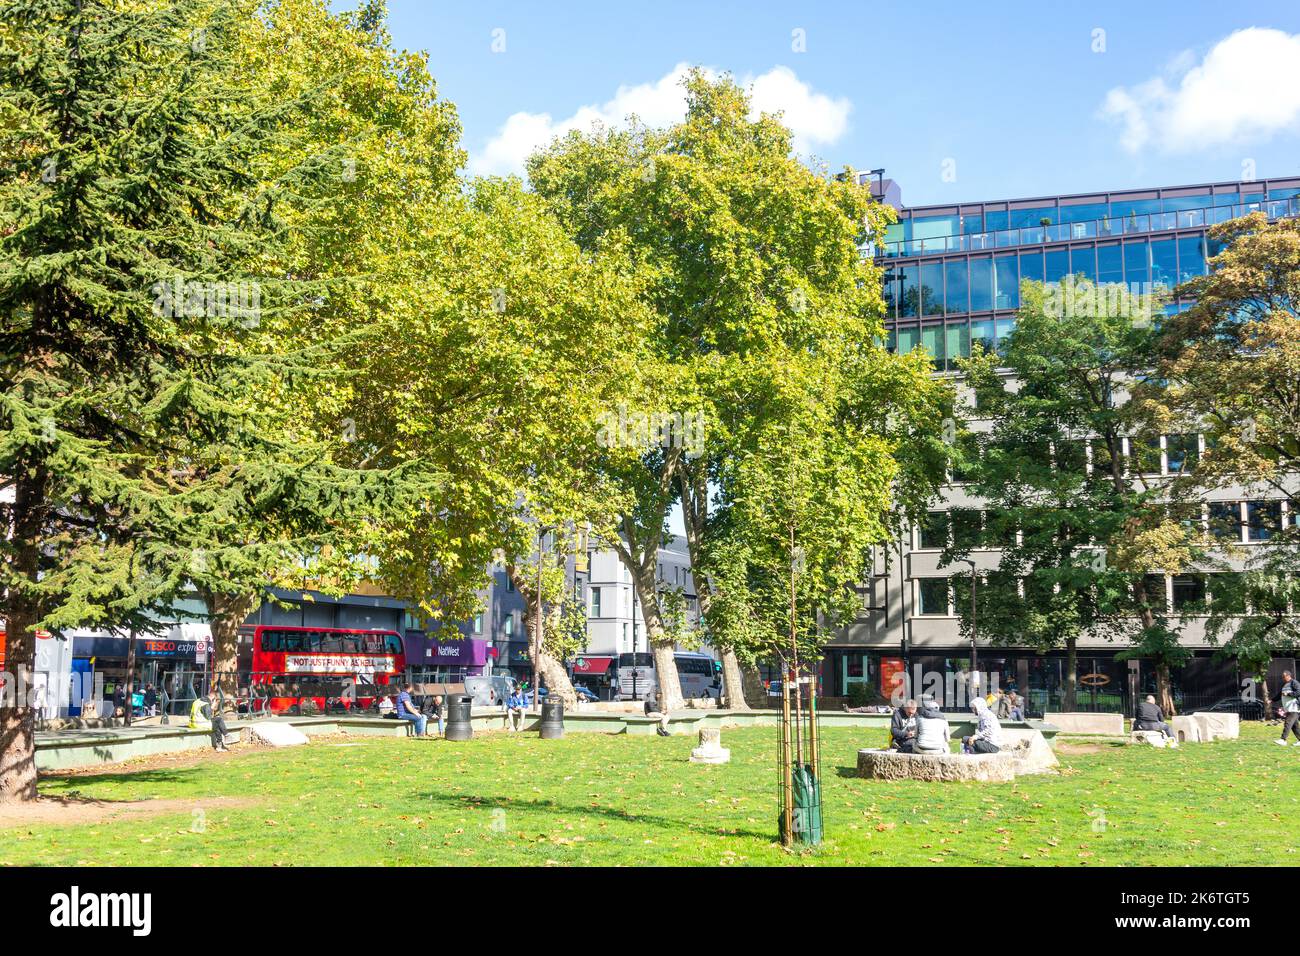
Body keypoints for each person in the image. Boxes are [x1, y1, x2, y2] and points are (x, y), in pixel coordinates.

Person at [1277, 671, 1300, 746]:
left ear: (1288, 676)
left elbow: (1298, 692)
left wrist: (1288, 694)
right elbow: (1279, 695)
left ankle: (1283, 739)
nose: (1283, 678)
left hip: (1294, 707)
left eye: (1284, 676)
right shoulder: (1285, 685)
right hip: (1288, 708)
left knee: (1288, 722)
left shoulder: (1294, 682)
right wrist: (1272, 700)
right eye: (1282, 677)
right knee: (1294, 726)